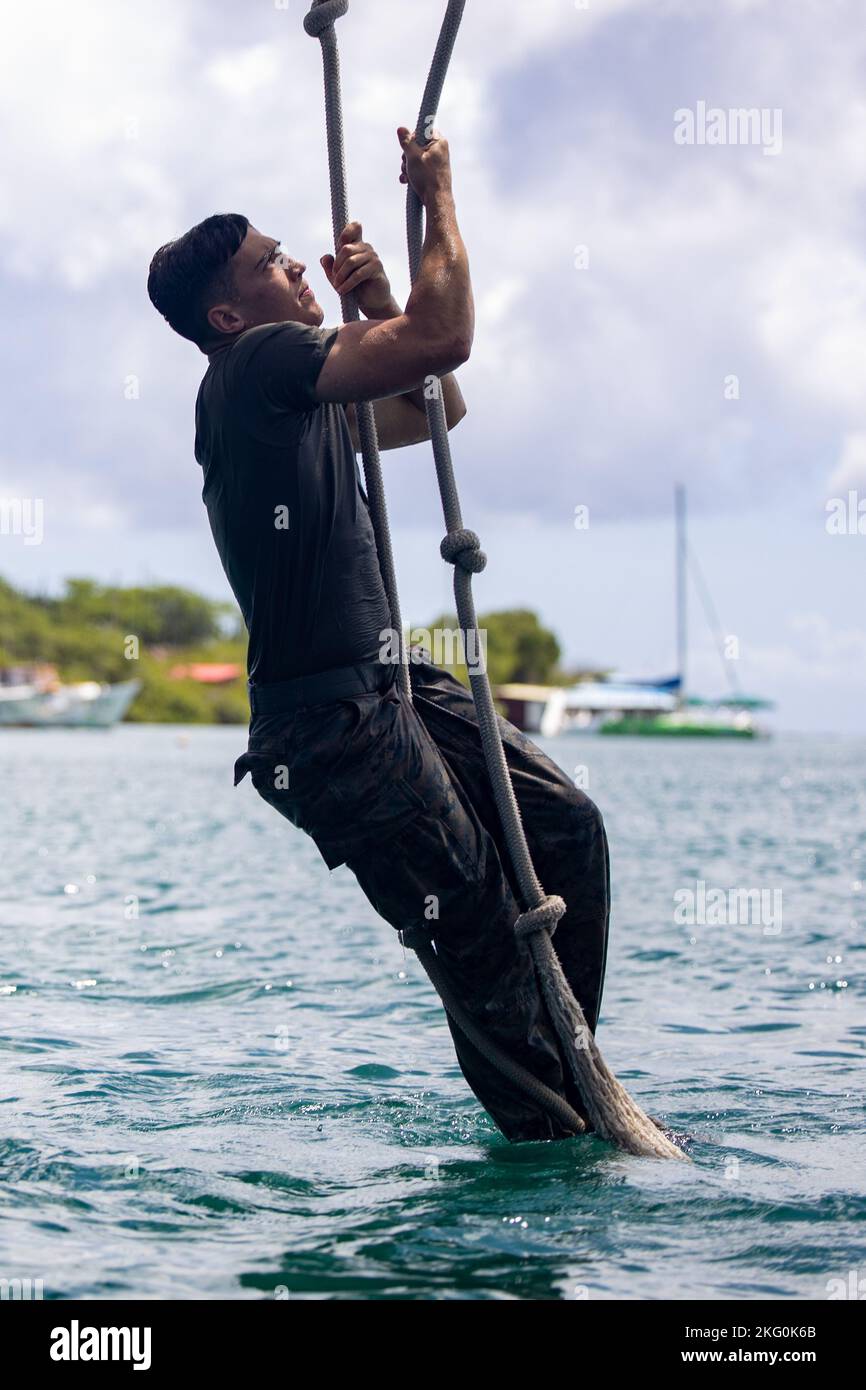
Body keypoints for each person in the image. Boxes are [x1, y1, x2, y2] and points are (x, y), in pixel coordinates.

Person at [147, 126, 610, 1141]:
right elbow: (448, 345)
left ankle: (572, 1076)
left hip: (388, 682)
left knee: (566, 828)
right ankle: (552, 1127)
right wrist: (438, 193)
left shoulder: (301, 390)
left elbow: (434, 405)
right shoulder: (256, 366)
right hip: (333, 724)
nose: (295, 268)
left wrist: (375, 302)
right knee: (481, 933)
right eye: (272, 264)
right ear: (229, 314)